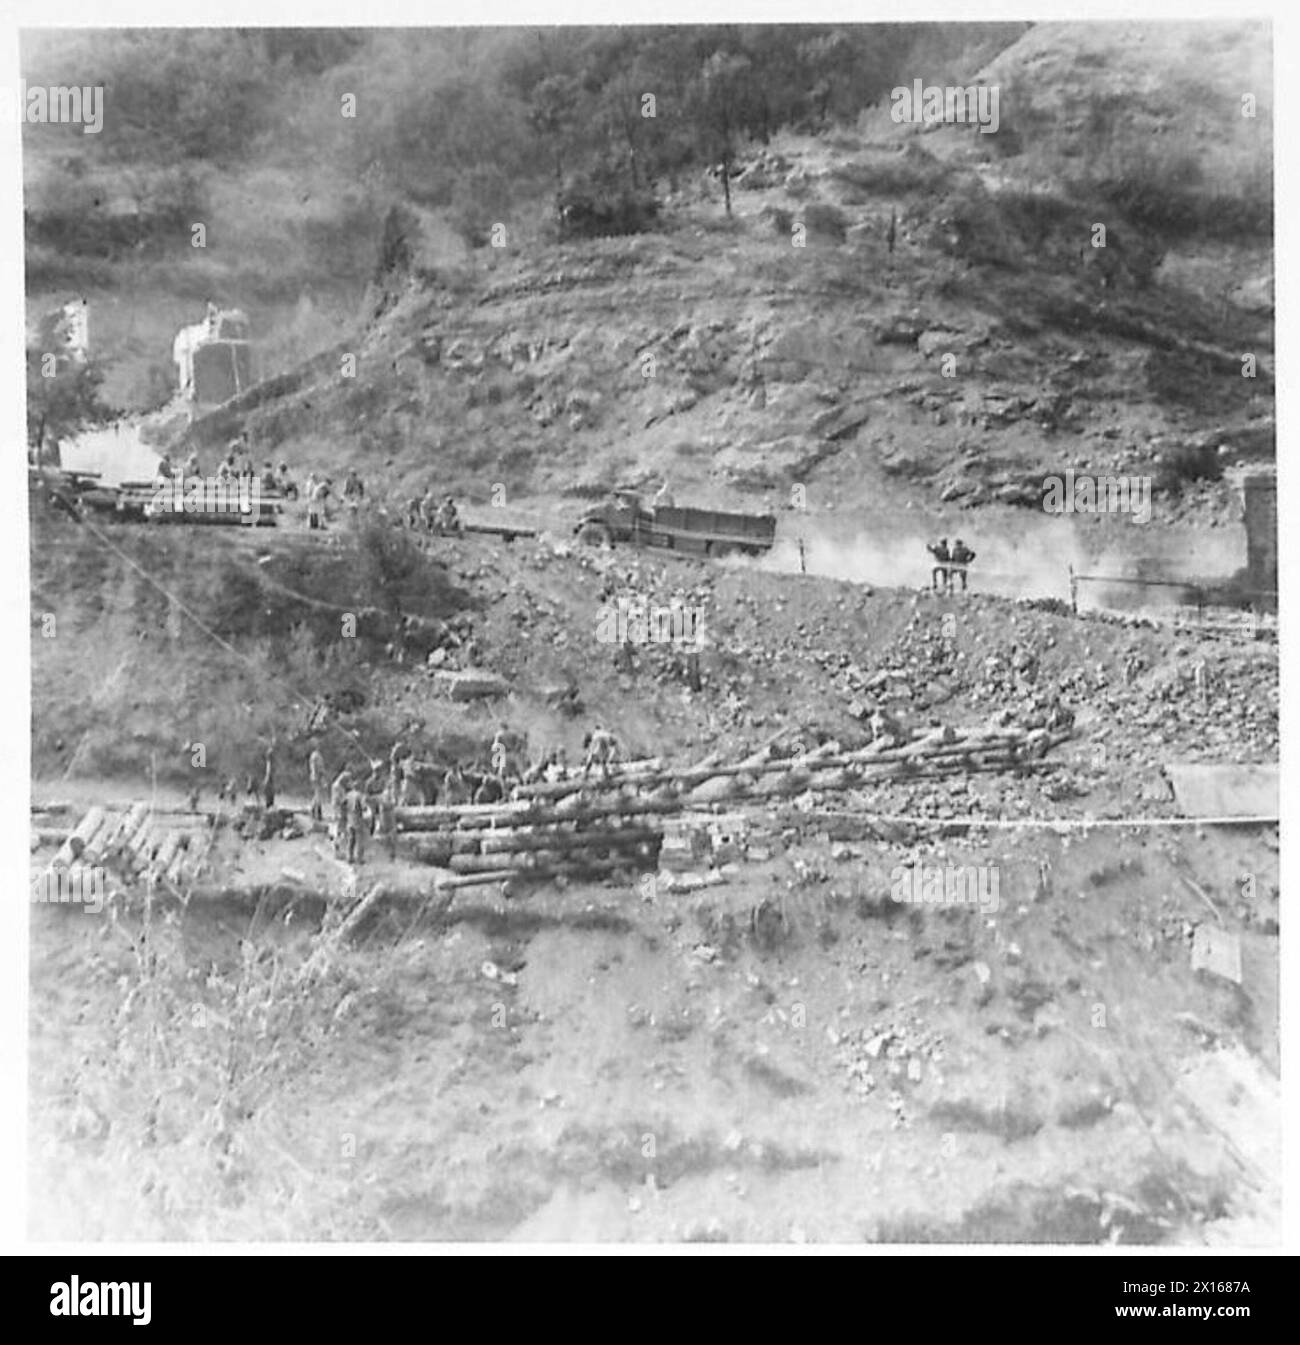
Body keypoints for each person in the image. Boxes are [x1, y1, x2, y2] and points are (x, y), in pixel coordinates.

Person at [344, 783, 367, 864]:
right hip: (357, 818)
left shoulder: (348, 794)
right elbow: (364, 807)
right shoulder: (360, 796)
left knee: (351, 839)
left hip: (349, 817)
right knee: (360, 839)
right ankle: (360, 858)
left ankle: (349, 857)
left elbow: (343, 804)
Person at [308, 745, 326, 822]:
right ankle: (317, 812)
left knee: (317, 795)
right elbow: (315, 767)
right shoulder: (316, 756)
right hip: (316, 777)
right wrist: (317, 776)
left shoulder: (317, 755)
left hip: (317, 777)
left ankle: (313, 810)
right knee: (318, 795)